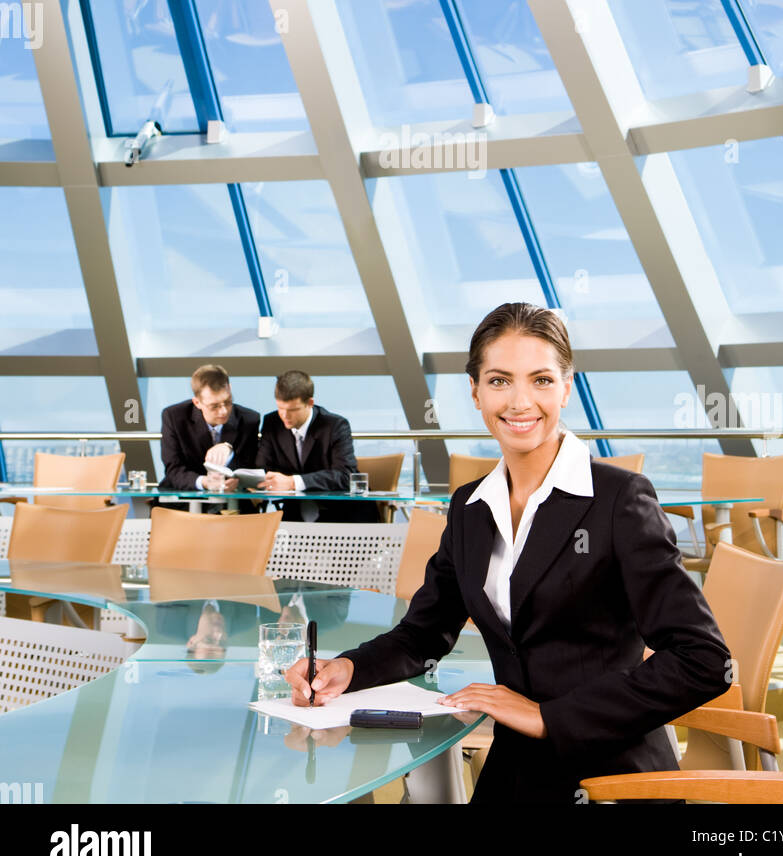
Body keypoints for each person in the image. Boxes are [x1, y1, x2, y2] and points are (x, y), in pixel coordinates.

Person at [284, 302, 732, 805]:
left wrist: (547, 716)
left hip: (610, 775)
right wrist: (347, 669)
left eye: (541, 380)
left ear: (566, 387)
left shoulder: (619, 501)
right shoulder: (471, 508)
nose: (521, 401)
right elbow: (424, 633)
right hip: (516, 769)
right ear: (475, 391)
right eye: (500, 381)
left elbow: (704, 660)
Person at [256, 371, 376, 523]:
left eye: (293, 410)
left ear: (310, 403)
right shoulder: (272, 423)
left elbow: (345, 475)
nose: (285, 416)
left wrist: (293, 482)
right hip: (294, 512)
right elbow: (262, 467)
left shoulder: (335, 425)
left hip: (344, 511)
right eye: (280, 408)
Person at [158, 365, 260, 513]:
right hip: (183, 500)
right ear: (197, 403)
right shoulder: (174, 417)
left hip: (231, 502)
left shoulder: (249, 419)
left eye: (228, 402)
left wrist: (229, 450)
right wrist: (205, 482)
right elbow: (174, 469)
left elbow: (249, 466)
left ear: (230, 389)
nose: (224, 411)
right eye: (214, 406)